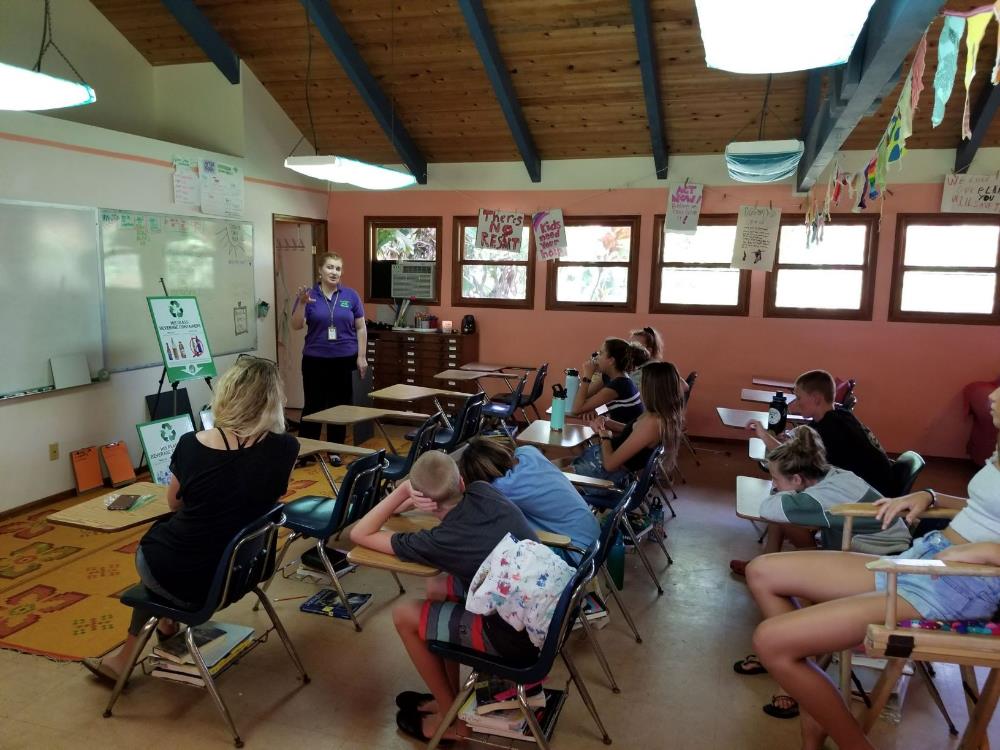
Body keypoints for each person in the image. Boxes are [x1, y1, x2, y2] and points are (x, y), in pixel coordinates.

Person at [742, 384, 1000, 750]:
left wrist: (989, 552)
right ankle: (814, 697)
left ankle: (843, 735)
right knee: (762, 571)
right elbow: (987, 509)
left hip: (959, 584)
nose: (992, 396)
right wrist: (930, 495)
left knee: (771, 642)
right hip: (927, 557)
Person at [82, 356, 298, 684]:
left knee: (157, 553)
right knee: (176, 552)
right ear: (272, 401)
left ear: (227, 395)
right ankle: (163, 628)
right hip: (243, 569)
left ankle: (126, 657)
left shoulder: (192, 445)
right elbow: (271, 492)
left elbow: (173, 502)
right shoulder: (286, 447)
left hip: (190, 577)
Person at [349, 450, 540, 744]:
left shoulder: (440, 542)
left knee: (405, 615)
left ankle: (454, 721)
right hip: (541, 615)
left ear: (424, 500)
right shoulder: (483, 491)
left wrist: (403, 489)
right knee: (439, 586)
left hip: (515, 640)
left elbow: (359, 533)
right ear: (462, 482)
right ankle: (449, 697)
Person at [729, 426, 910, 576]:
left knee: (782, 510)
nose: (774, 484)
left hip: (882, 555)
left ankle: (775, 569)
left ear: (797, 479)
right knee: (785, 511)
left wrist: (780, 493)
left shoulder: (820, 497)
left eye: (776, 479)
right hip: (873, 540)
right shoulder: (829, 473)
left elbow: (767, 509)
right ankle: (769, 558)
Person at [746, 369, 895, 496]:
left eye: (798, 398)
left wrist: (763, 435)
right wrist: (787, 441)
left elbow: (788, 461)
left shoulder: (831, 429)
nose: (795, 403)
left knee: (784, 493)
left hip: (871, 500)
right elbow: (800, 447)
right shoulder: (839, 414)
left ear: (816, 399)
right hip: (870, 489)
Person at [457, 436, 599, 553]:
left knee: (489, 546)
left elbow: (469, 510)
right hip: (593, 533)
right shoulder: (528, 452)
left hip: (576, 549)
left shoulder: (501, 487)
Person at [291, 252, 367, 443]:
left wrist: (362, 356)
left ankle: (335, 448)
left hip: (344, 359)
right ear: (320, 270)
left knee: (338, 406)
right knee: (313, 405)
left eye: (338, 268)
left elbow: (361, 327)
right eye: (330, 267)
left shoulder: (351, 295)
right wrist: (301, 303)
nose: (334, 272)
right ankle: (308, 449)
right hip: (315, 360)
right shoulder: (309, 295)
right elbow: (296, 325)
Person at [571, 361, 684, 490]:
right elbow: (635, 433)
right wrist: (607, 422)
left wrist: (604, 436)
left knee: (547, 476)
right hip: (600, 465)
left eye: (641, 383)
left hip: (604, 475)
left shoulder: (652, 423)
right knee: (552, 467)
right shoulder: (659, 416)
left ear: (652, 389)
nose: (639, 386)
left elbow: (610, 465)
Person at [571, 337, 644, 422]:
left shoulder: (620, 384)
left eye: (601, 353)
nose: (597, 357)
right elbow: (582, 398)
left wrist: (587, 375)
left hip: (628, 433)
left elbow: (576, 409)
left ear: (611, 361)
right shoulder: (608, 377)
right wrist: (590, 407)